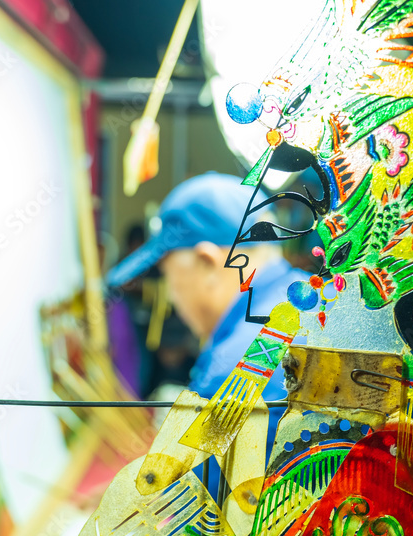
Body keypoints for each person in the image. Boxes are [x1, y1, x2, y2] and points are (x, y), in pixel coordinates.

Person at [105, 173, 307, 491]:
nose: (170, 295)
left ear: (207, 263)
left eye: (167, 275)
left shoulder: (233, 372)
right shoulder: (313, 297)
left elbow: (200, 525)